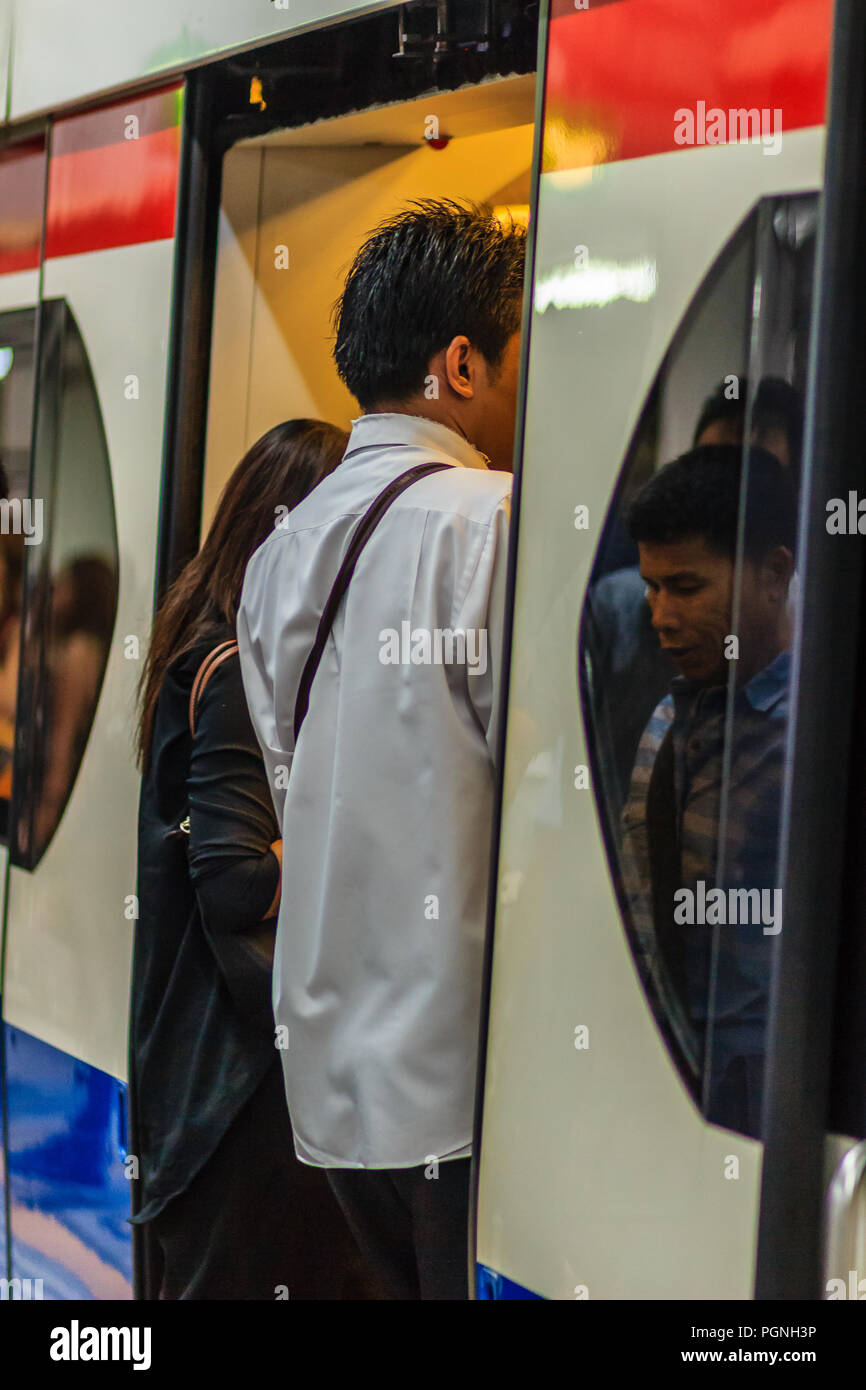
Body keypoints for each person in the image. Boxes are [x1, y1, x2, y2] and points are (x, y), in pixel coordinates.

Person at [237, 199, 525, 1300]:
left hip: (329, 1062)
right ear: (459, 363)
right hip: (455, 1071)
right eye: (507, 362)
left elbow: (289, 782)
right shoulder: (490, 522)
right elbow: (530, 793)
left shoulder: (282, 547)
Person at [131, 418, 374, 1300]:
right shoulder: (238, 671)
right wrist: (347, 847)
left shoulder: (195, 645)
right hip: (236, 1096)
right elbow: (235, 878)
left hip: (196, 1081)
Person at [619, 444, 797, 1138]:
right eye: (651, 586)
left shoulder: (809, 735)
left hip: (762, 1102)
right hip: (658, 1080)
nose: (660, 615)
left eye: (686, 587)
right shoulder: (673, 709)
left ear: (773, 574)